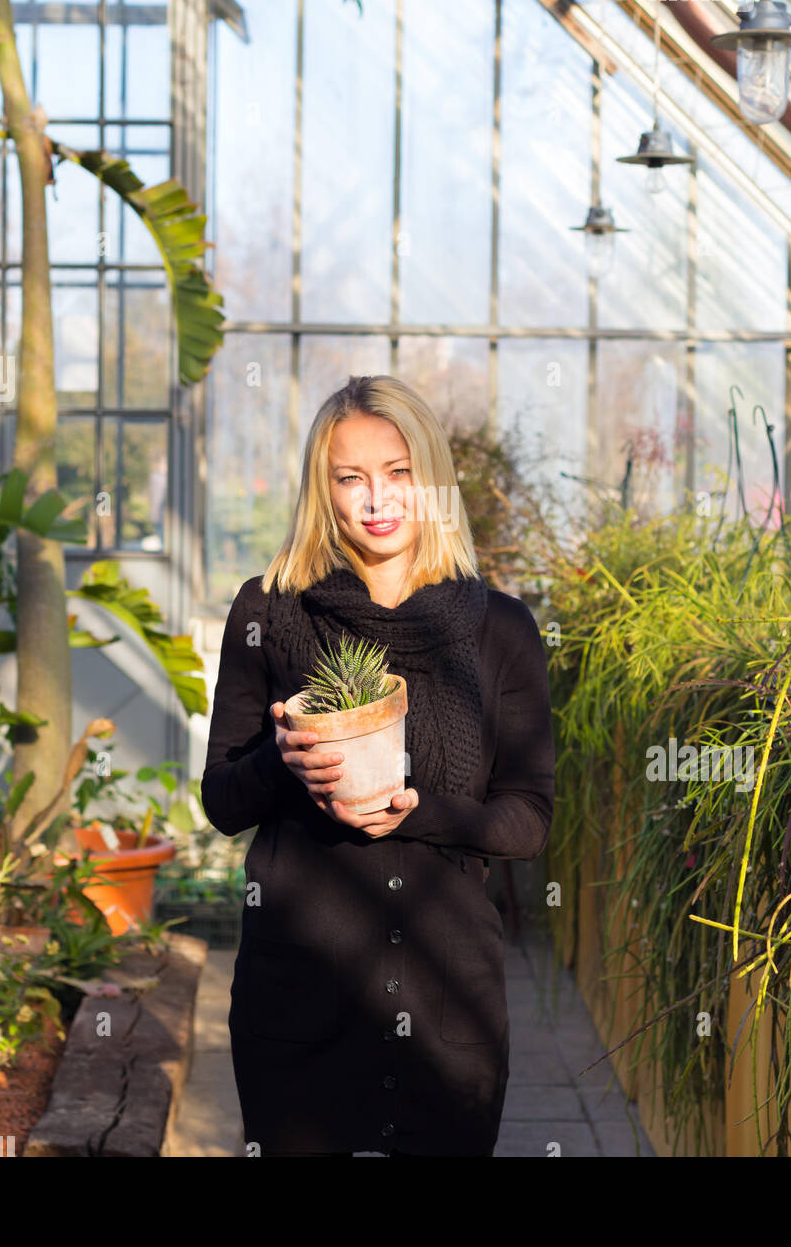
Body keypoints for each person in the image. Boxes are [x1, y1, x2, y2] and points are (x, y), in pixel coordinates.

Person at [201, 374, 555, 1157]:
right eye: (349, 477)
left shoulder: (500, 629)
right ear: (322, 490)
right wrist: (281, 761)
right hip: (299, 996)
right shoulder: (268, 610)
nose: (376, 499)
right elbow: (222, 798)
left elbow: (527, 818)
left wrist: (420, 809)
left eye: (398, 473)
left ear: (430, 479)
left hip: (446, 1001)